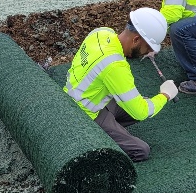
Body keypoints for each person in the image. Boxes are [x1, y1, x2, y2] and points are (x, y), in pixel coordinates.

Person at [64, 8, 178, 162]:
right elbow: (141, 112)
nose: (147, 52)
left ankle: (111, 127)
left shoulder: (101, 33)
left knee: (138, 102)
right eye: (148, 48)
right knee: (141, 150)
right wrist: (166, 95)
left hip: (83, 99)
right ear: (136, 40)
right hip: (85, 116)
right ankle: (95, 140)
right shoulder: (115, 65)